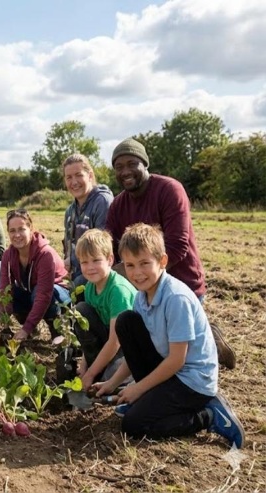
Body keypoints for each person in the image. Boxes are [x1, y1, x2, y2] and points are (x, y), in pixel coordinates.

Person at [93, 223, 244, 449]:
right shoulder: (141, 297)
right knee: (126, 322)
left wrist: (138, 388)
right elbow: (137, 348)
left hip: (192, 381)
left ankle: (208, 415)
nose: (137, 272)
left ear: (162, 261)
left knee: (133, 425)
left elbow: (177, 360)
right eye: (130, 265)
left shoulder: (176, 298)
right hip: (169, 369)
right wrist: (112, 383)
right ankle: (150, 401)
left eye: (145, 263)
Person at [105, 138, 236, 369]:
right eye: (119, 167)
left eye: (131, 163)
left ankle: (210, 341)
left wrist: (140, 276)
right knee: (154, 344)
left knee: (175, 357)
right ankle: (204, 333)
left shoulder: (169, 190)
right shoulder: (118, 205)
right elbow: (112, 251)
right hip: (144, 287)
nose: (125, 171)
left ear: (145, 164)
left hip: (182, 284)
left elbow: (178, 246)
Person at [73, 229, 137, 389]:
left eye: (96, 260)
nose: (90, 267)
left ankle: (122, 374)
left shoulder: (118, 291)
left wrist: (90, 375)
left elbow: (116, 342)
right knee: (81, 310)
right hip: (108, 338)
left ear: (109, 260)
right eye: (84, 262)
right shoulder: (89, 287)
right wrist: (84, 366)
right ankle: (100, 366)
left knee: (113, 385)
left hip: (129, 344)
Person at [0, 209, 70, 341]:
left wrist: (25, 329)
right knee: (1, 289)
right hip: (34, 292)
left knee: (39, 292)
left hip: (59, 295)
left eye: (21, 229)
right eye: (12, 231)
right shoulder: (8, 255)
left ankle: (56, 328)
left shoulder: (45, 254)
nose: (17, 235)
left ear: (31, 229)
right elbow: (4, 287)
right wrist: (5, 320)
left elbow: (44, 294)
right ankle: (29, 325)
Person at [62, 153, 113, 287]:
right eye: (69, 177)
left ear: (90, 176)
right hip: (76, 273)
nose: (74, 182)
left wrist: (73, 264)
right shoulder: (70, 211)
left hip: (98, 276)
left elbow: (101, 249)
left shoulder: (102, 202)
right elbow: (68, 246)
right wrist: (67, 260)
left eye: (79, 175)